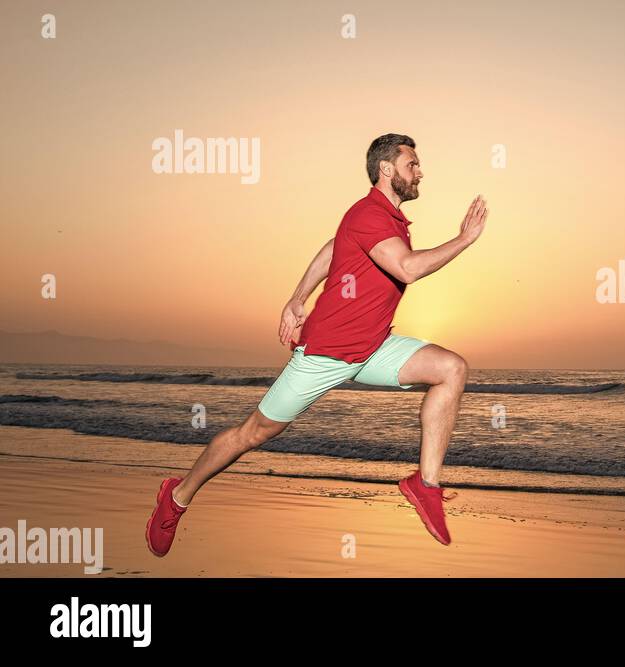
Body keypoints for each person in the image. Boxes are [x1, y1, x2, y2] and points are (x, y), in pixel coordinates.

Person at [146, 133, 488, 555]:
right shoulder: (368, 213)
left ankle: (426, 484)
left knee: (451, 369)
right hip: (326, 353)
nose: (420, 172)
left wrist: (297, 297)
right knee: (251, 434)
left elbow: (334, 248)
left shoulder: (382, 218)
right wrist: (464, 239)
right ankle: (176, 497)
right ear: (386, 170)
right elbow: (407, 268)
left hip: (372, 347)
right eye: (412, 164)